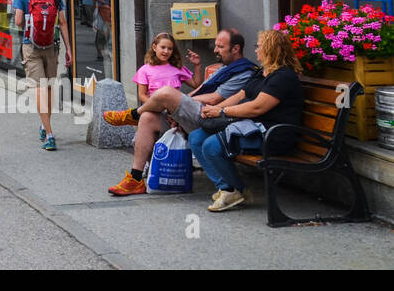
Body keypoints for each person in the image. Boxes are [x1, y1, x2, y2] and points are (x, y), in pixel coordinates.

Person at [103, 28, 257, 197]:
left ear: (235, 49)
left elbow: (214, 99)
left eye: (220, 47)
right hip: (197, 110)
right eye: (215, 46)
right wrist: (177, 105)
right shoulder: (225, 68)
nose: (215, 50)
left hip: (211, 116)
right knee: (148, 118)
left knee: (166, 92)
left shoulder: (244, 72)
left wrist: (178, 100)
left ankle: (132, 115)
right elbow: (198, 90)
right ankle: (136, 179)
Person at [191, 29, 302, 212]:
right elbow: (240, 95)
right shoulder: (262, 73)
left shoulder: (283, 77)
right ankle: (228, 188)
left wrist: (222, 111)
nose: (256, 50)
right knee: (196, 137)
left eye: (259, 46)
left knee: (211, 145)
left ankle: (233, 190)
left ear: (270, 49)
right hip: (251, 127)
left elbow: (257, 107)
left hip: (272, 134)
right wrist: (215, 110)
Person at [11, 0, 70, 151]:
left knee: (38, 89)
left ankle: (49, 133)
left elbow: (18, 22)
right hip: (52, 45)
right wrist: (69, 49)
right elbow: (62, 22)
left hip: (31, 45)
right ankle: (46, 126)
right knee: (49, 87)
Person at [134, 32, 192, 101]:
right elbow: (142, 95)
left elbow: (196, 84)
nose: (166, 51)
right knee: (145, 112)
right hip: (154, 108)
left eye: (170, 49)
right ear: (154, 47)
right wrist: (155, 106)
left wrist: (197, 65)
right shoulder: (144, 70)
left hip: (174, 108)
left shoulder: (177, 66)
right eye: (163, 47)